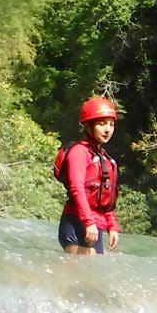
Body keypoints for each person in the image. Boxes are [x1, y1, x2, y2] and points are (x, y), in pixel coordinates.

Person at [56, 96, 120, 255]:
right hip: (76, 221)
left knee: (91, 276)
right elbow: (76, 188)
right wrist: (88, 221)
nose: (108, 129)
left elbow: (104, 198)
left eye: (111, 124)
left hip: (94, 224)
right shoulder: (79, 152)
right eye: (101, 124)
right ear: (88, 126)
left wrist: (112, 226)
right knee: (79, 272)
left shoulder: (104, 158)